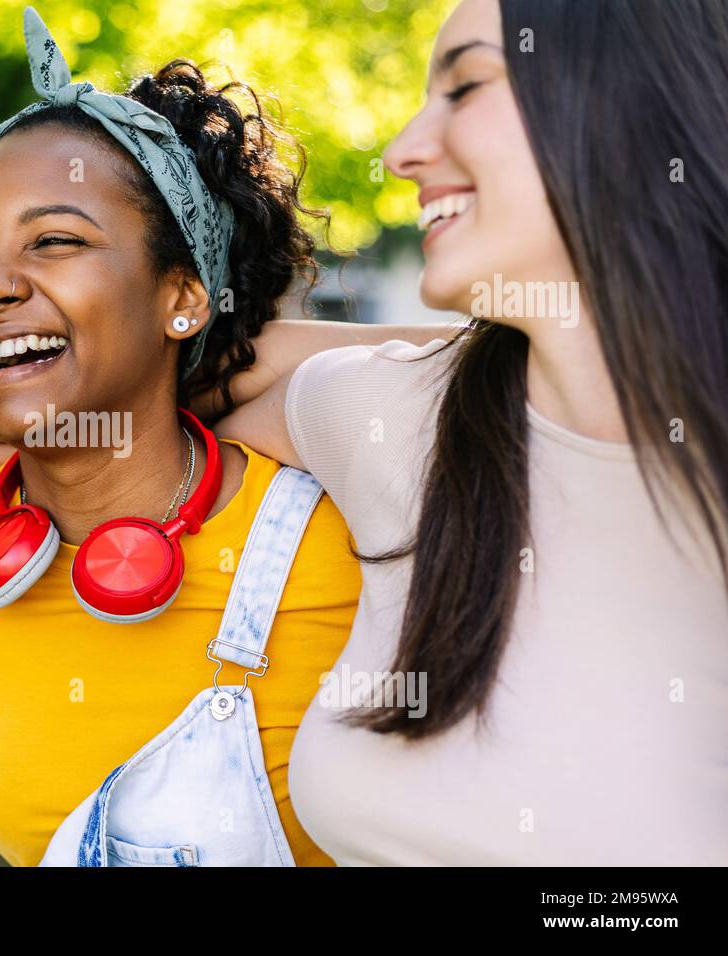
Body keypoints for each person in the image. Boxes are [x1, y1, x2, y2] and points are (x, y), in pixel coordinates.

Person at [0, 7, 446, 867]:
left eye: (56, 242)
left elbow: (521, 362)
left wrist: (217, 360)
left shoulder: (354, 527)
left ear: (182, 296)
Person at [217, 0, 728, 864]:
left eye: (467, 84)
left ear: (635, 102)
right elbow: (154, 378)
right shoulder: (399, 417)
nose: (403, 151)